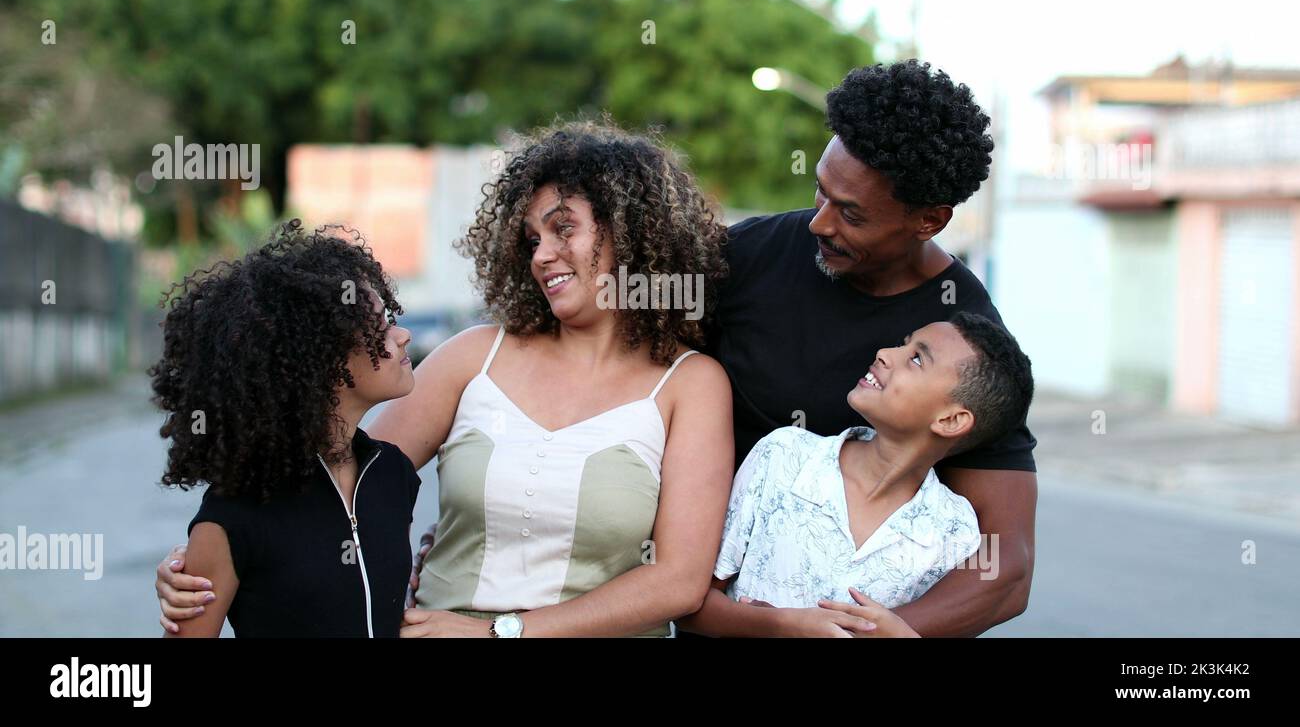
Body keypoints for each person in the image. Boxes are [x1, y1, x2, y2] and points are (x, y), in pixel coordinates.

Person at [154, 121, 735, 637]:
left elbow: (678, 582)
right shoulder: (474, 358)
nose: (541, 255)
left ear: (633, 233)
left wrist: (505, 634)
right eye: (532, 239)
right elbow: (330, 487)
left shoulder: (691, 384)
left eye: (563, 230)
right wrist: (207, 558)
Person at [703, 60, 1039, 637]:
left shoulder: (963, 340)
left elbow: (1006, 566)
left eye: (851, 213)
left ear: (928, 221)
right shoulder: (748, 255)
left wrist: (874, 632)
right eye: (821, 191)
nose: (819, 222)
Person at [680, 313, 1033, 637]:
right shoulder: (784, 455)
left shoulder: (953, 534)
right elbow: (688, 605)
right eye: (902, 343)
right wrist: (777, 624)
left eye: (916, 359)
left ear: (950, 420)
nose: (885, 353)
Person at [150, 220, 419, 637]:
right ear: (323, 361)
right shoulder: (235, 511)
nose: (402, 335)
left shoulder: (394, 474)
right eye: (379, 327)